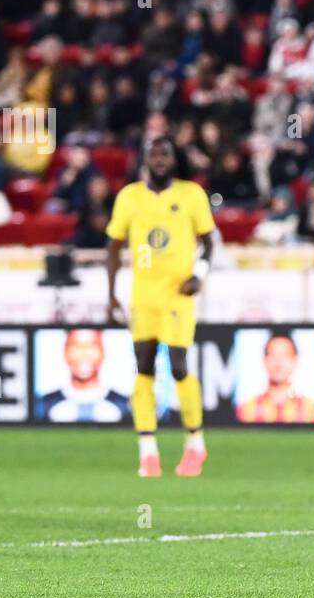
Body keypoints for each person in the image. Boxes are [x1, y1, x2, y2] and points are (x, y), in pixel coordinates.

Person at [105, 138, 215, 478]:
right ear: (145, 160)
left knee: (179, 365)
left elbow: (210, 241)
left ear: (174, 159)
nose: (160, 160)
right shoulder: (129, 197)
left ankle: (195, 442)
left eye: (165, 154)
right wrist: (110, 294)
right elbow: (113, 245)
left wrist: (199, 274)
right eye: (153, 154)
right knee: (144, 366)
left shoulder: (191, 195)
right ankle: (148, 450)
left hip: (178, 295)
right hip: (144, 296)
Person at [39, 329, 129, 422]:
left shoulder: (124, 405)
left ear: (103, 352)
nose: (84, 353)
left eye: (92, 345)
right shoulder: (44, 405)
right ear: (65, 352)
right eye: (76, 345)